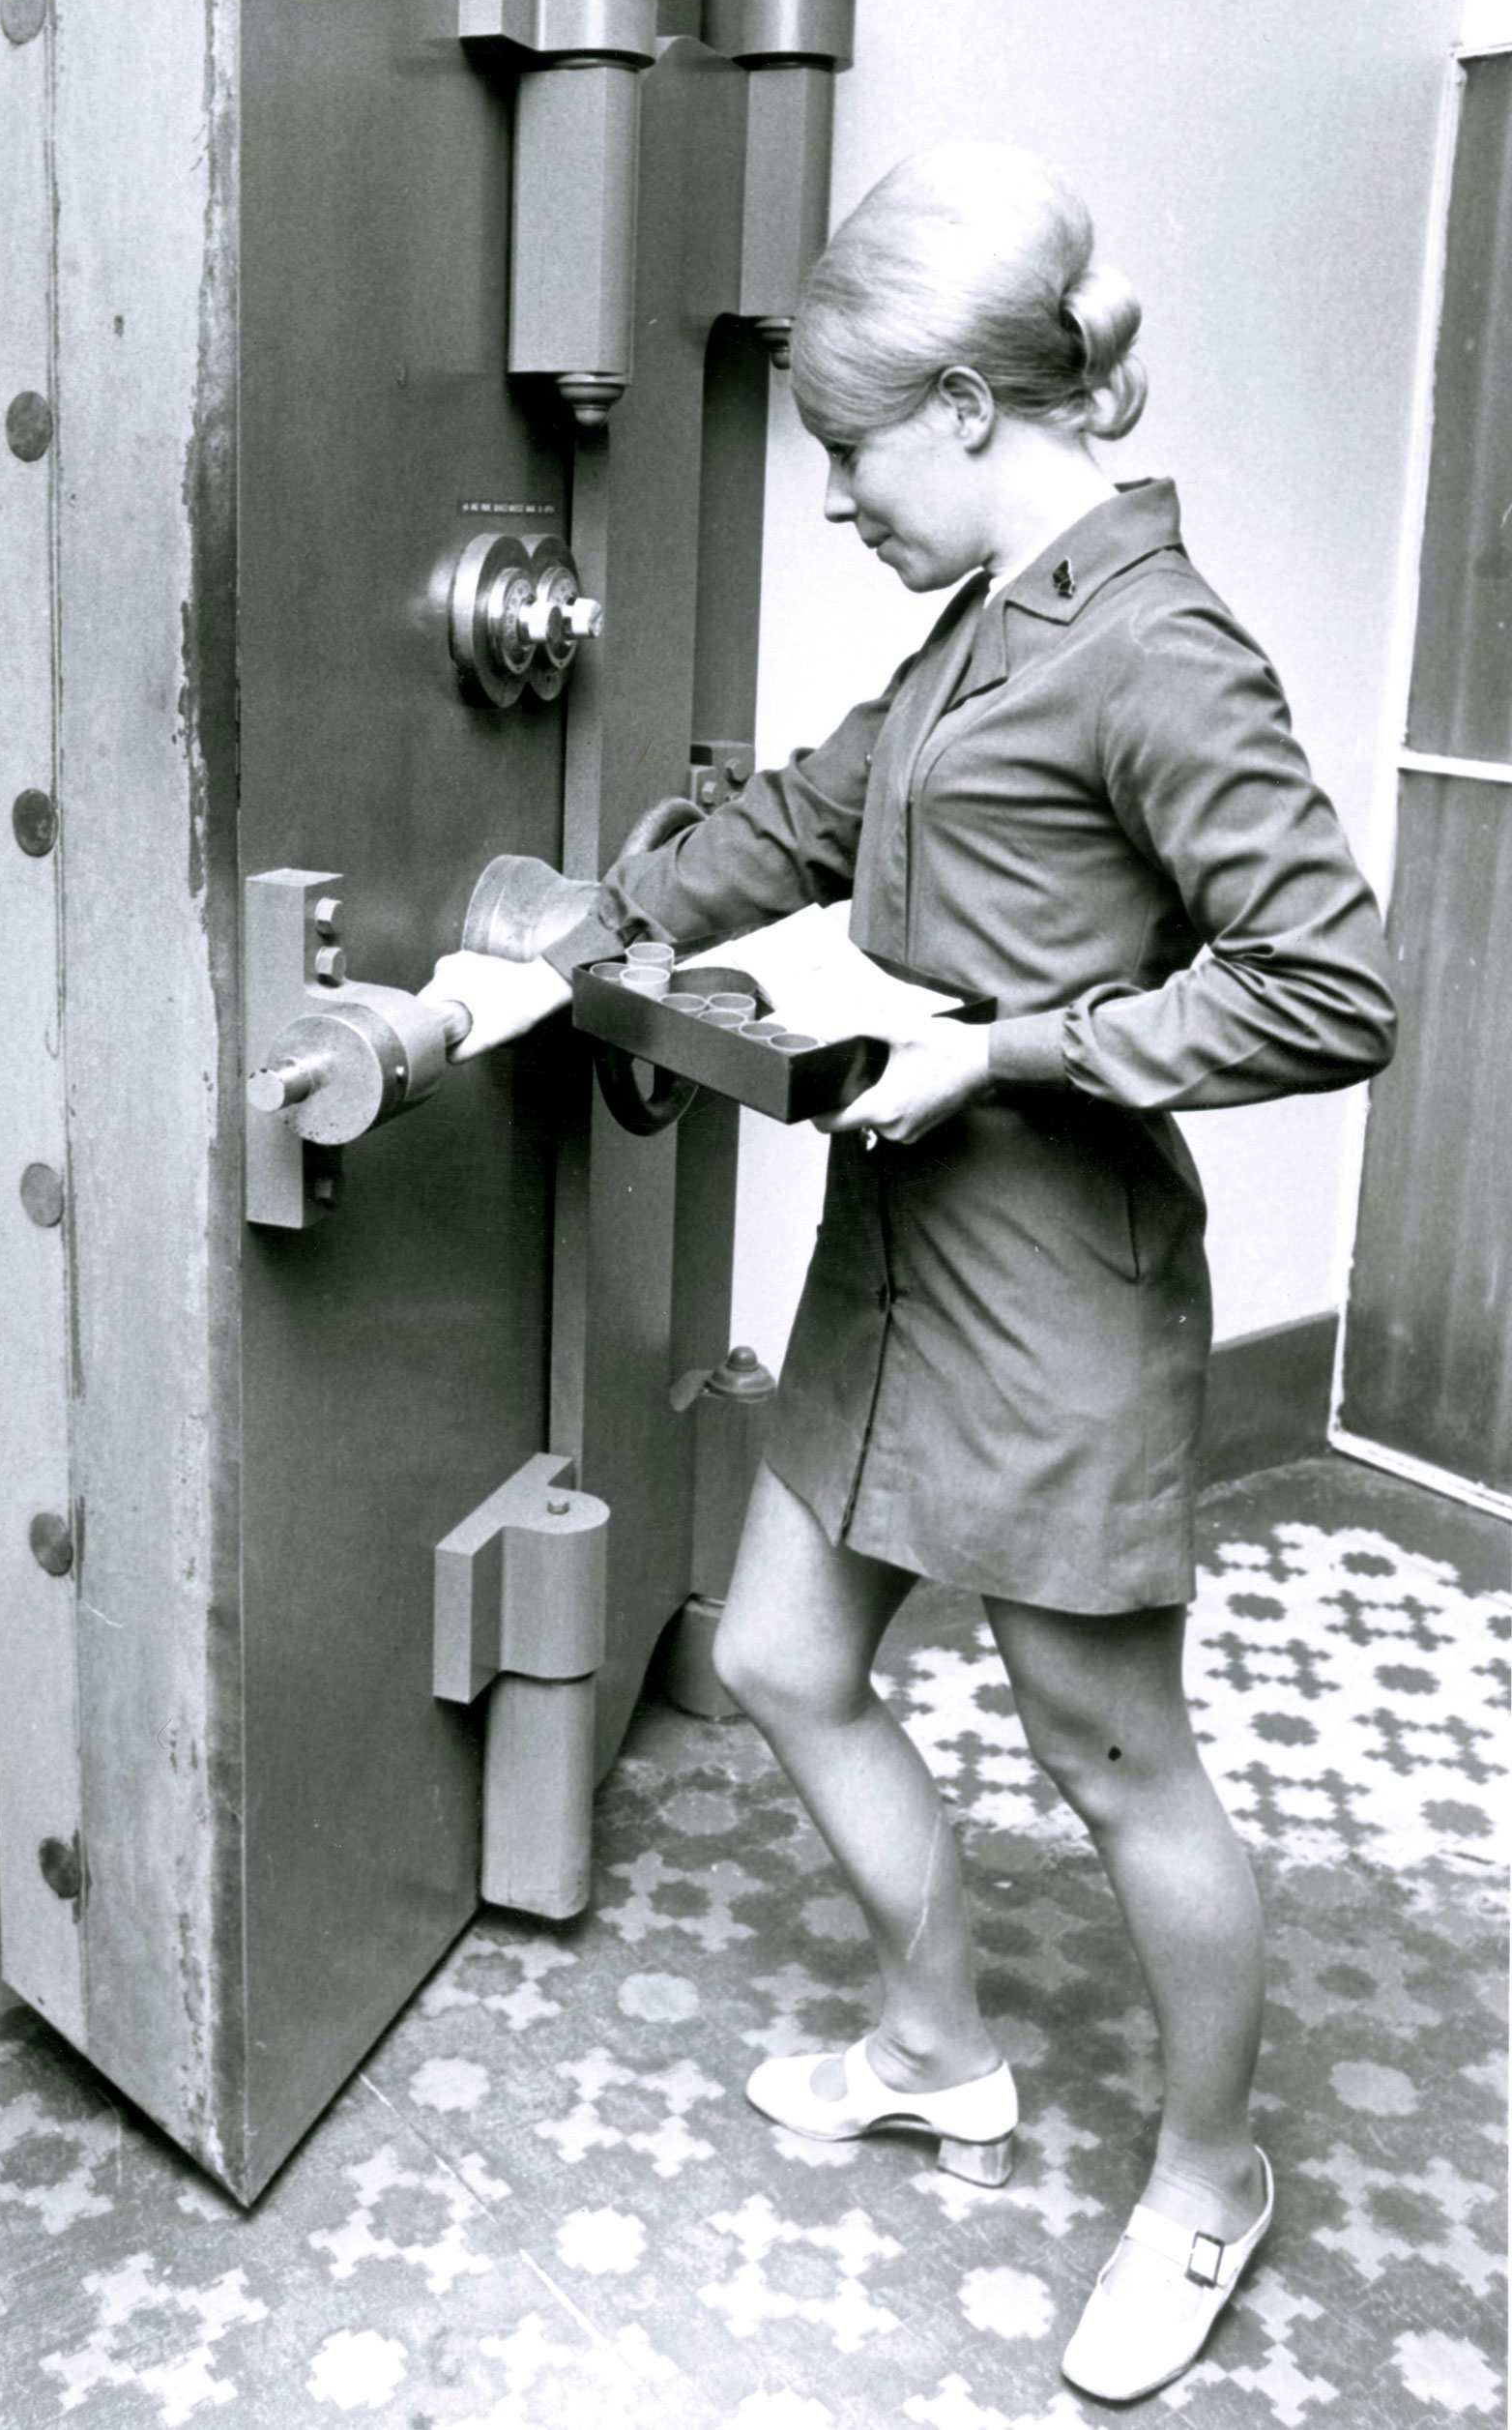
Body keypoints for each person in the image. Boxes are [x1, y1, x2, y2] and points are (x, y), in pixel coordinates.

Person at [421, 142, 1396, 2405]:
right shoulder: (979, 626)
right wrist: (611, 925)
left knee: (1109, 1751)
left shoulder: (1155, 644)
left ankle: (1207, 2175)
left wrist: (1015, 1049)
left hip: (1056, 1276)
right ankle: (940, 2043)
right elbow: (816, 807)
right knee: (776, 1650)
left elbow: (1327, 983)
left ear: (967, 406)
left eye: (851, 452)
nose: (835, 499)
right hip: (893, 1254)